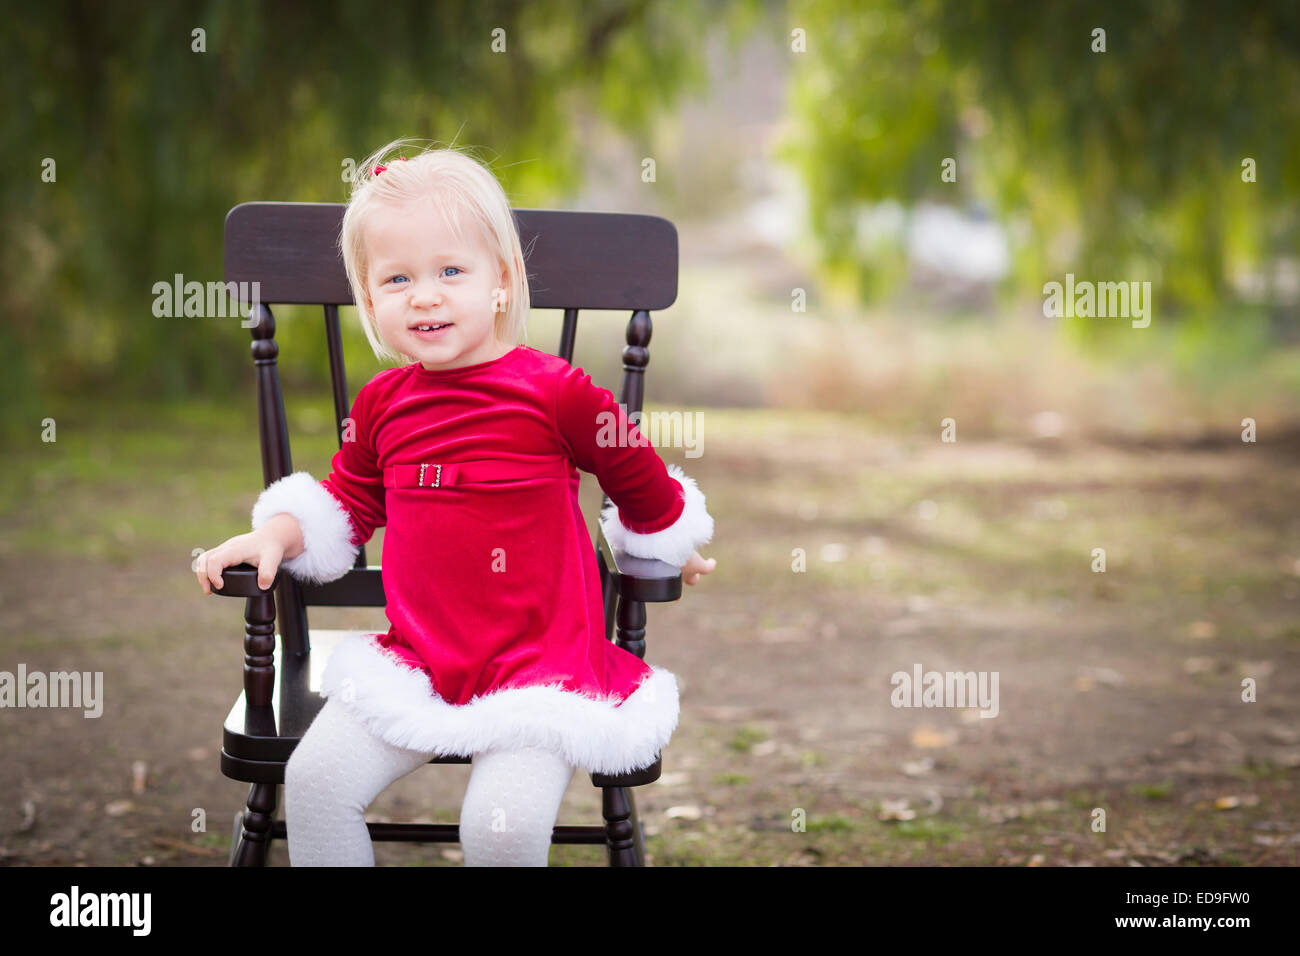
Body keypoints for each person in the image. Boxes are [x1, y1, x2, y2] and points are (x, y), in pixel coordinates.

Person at [195, 137, 717, 866]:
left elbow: (634, 470)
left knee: (498, 830)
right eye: (398, 278)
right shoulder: (384, 405)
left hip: (539, 675)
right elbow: (348, 500)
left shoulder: (556, 392)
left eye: (449, 270)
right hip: (420, 663)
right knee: (313, 783)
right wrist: (279, 533)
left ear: (499, 281)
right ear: (371, 299)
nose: (426, 294)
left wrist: (661, 538)